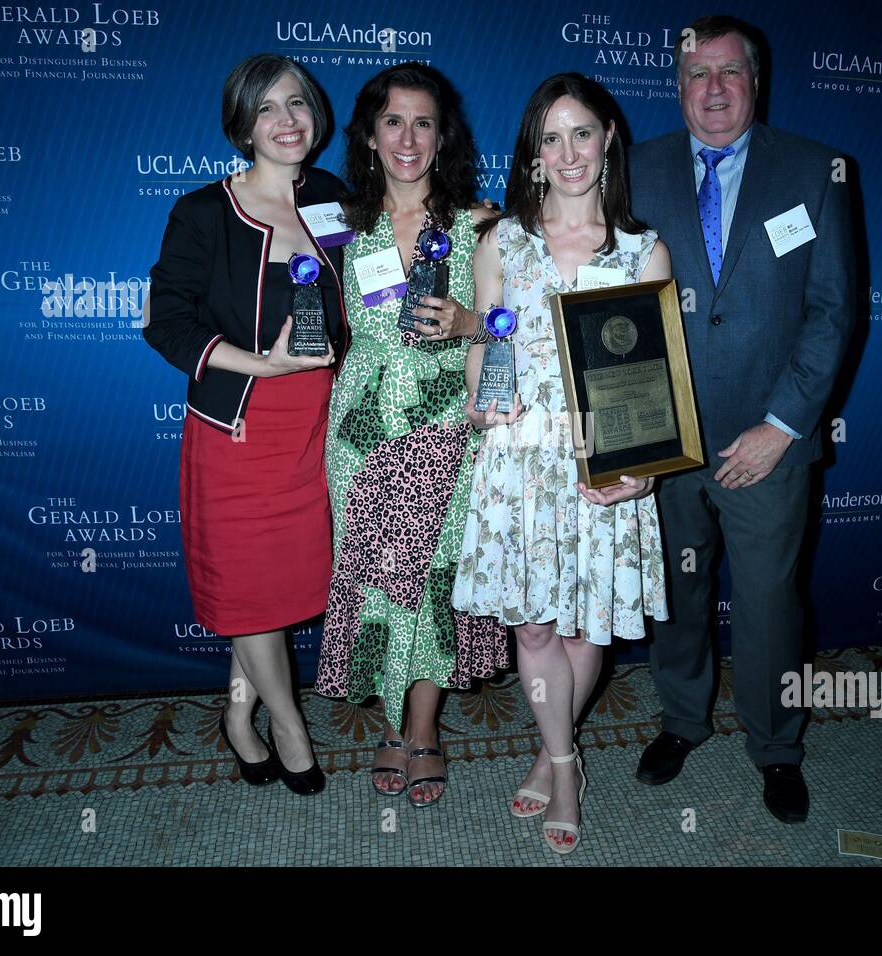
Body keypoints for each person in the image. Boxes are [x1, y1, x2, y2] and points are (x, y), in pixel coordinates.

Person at [628, 16, 856, 823]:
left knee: (767, 605)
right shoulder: (636, 169)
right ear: (677, 84)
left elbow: (833, 312)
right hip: (666, 441)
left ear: (756, 82)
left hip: (770, 441)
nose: (714, 89)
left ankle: (777, 747)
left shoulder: (815, 171)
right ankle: (682, 721)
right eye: (697, 73)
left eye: (730, 73)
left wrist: (783, 425)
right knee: (679, 596)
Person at [453, 73, 672, 853]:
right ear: (533, 153)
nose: (568, 151)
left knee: (590, 627)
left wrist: (646, 464)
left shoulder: (645, 251)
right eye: (551, 136)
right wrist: (484, 400)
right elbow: (486, 345)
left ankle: (551, 750)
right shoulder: (501, 241)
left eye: (582, 132)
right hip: (521, 465)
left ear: (609, 138)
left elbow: (654, 379)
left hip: (603, 467)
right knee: (538, 625)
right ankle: (565, 761)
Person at [144, 53, 346, 796]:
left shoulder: (332, 199)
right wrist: (258, 365)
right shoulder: (203, 212)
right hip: (239, 431)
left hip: (316, 431)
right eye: (267, 109)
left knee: (268, 592)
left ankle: (236, 716)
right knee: (250, 588)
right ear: (243, 124)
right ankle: (287, 727)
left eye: (296, 104)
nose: (287, 121)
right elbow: (164, 322)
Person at [314, 63, 508, 808]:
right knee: (377, 582)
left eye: (423, 122)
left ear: (442, 135)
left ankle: (418, 729)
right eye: (392, 121)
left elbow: (514, 330)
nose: (407, 137)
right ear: (368, 133)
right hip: (360, 433)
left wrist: (470, 323)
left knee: (430, 583)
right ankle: (393, 717)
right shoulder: (337, 226)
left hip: (444, 429)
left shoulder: (479, 222)